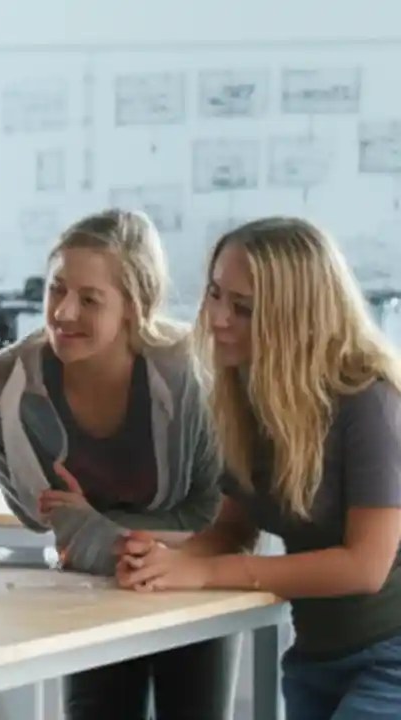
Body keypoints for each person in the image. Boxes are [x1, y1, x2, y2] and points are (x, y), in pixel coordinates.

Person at [116, 217, 401, 719]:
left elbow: (365, 566)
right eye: (215, 293)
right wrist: (162, 555)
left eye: (243, 308)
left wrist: (206, 573)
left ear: (296, 316)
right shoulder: (247, 396)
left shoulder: (368, 402)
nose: (217, 317)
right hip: (317, 658)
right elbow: (233, 525)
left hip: (390, 658)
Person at [0, 209, 237, 720]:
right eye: (56, 290)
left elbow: (210, 519)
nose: (64, 313)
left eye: (90, 299)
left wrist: (98, 530)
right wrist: (102, 536)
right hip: (93, 590)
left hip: (196, 583)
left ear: (136, 307)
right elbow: (44, 518)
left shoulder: (193, 375)